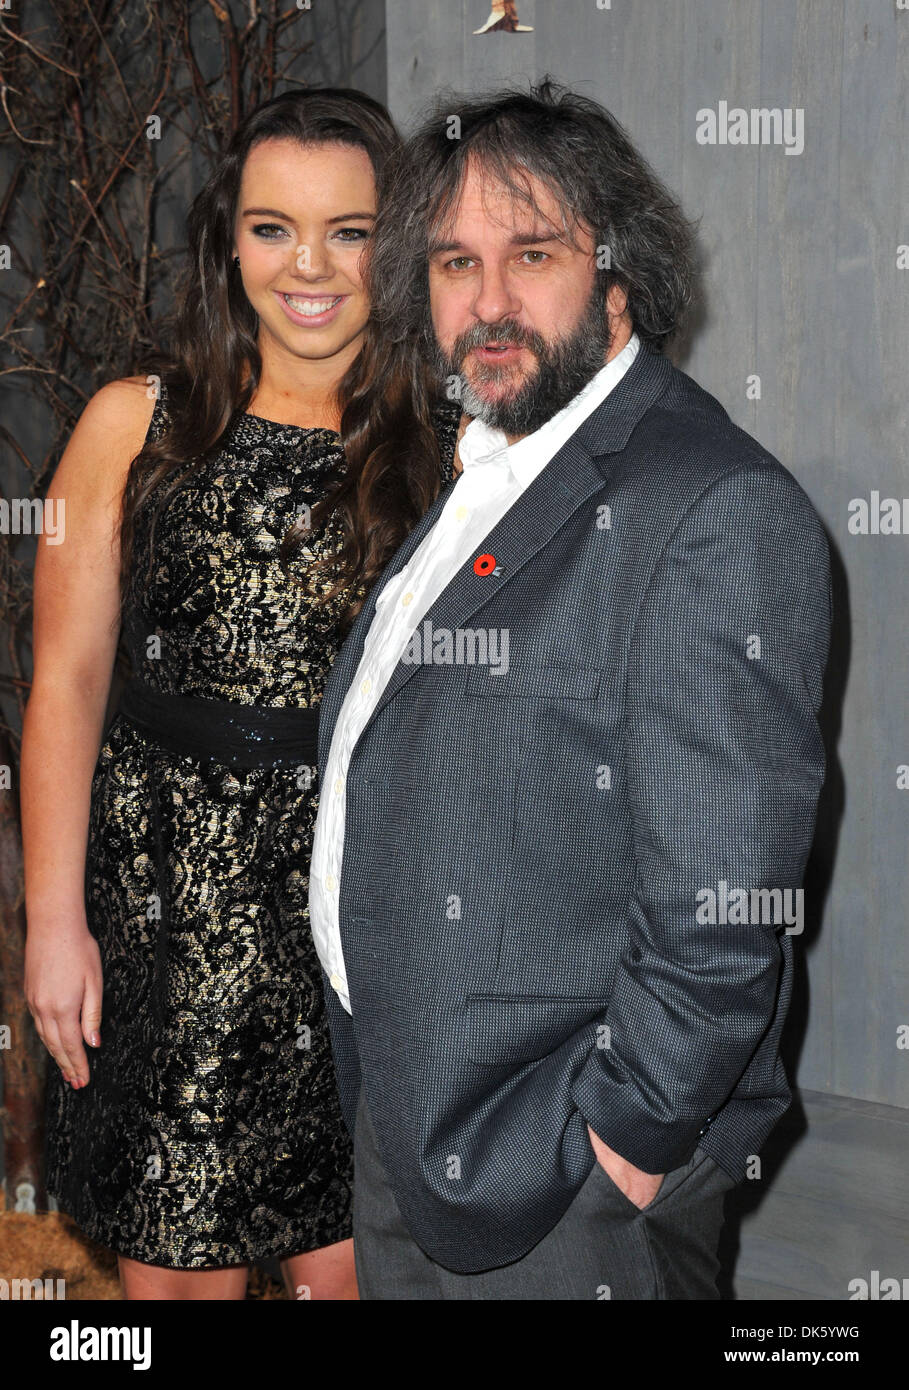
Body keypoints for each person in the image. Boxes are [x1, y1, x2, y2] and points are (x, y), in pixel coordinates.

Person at [308, 79, 833, 1300]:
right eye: (452, 263)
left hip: (557, 1186)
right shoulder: (490, 466)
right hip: (417, 1129)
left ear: (617, 270)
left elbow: (727, 895)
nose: (488, 302)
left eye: (530, 252)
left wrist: (623, 1145)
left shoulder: (709, 505)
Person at [21, 87, 460, 1300]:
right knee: (173, 1291)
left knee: (355, 1271)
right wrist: (54, 925)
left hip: (357, 930)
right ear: (229, 240)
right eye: (272, 228)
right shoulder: (134, 425)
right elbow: (64, 684)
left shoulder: (452, 450)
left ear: (403, 242)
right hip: (168, 923)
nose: (307, 266)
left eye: (351, 230)